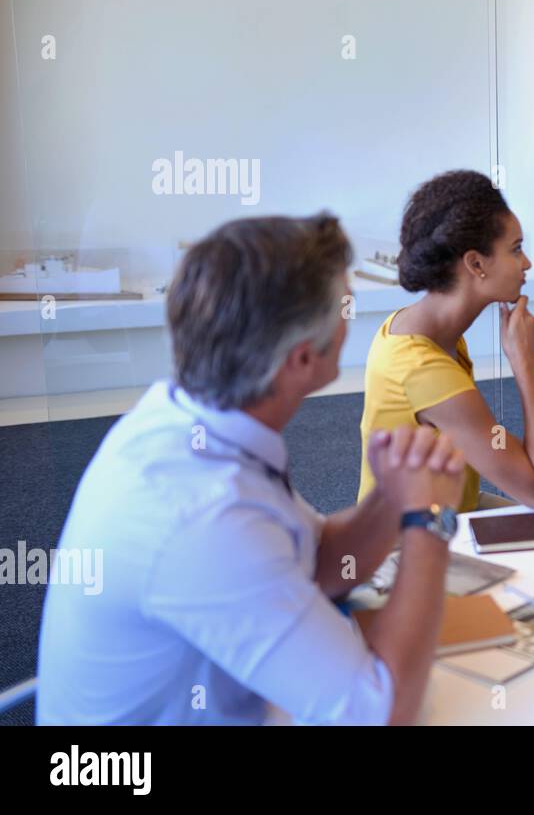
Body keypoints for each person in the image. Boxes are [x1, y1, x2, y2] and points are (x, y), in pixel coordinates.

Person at [38, 215, 466, 725]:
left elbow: (321, 564)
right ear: (304, 360)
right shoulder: (204, 516)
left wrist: (393, 497)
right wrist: (429, 521)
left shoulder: (183, 416)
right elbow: (381, 713)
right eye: (344, 306)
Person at [357, 169, 534, 516]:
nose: (527, 263)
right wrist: (527, 367)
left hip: (452, 511)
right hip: (408, 548)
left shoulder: (421, 329)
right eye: (516, 250)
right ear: (476, 263)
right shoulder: (422, 368)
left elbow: (485, 441)